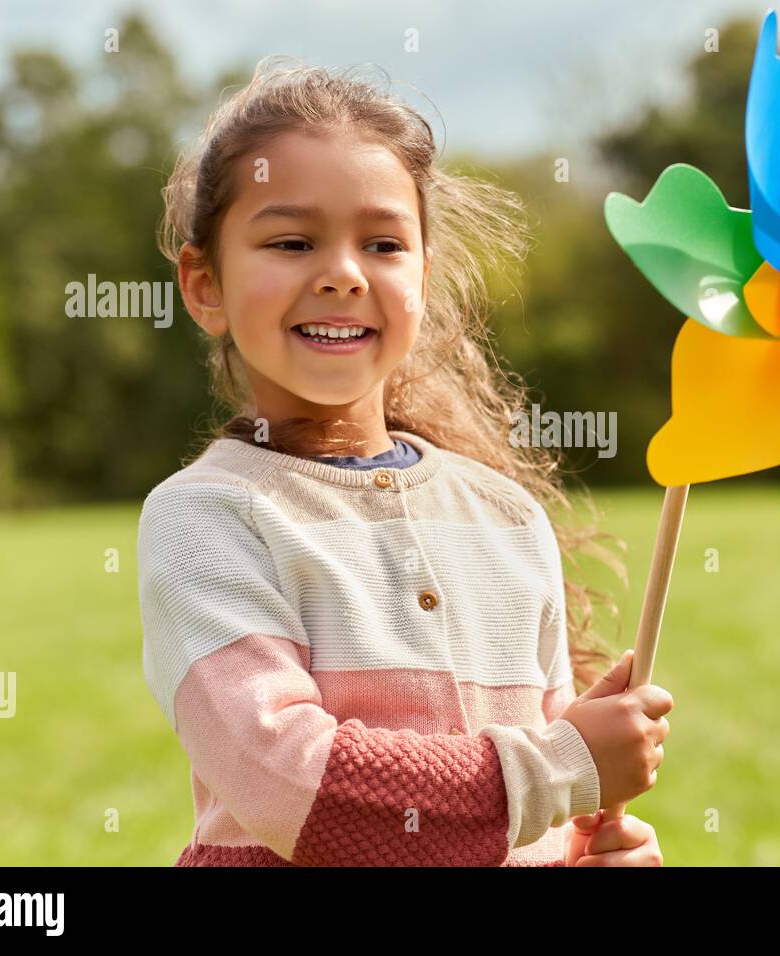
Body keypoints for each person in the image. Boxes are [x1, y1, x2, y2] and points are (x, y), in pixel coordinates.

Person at [137, 57, 673, 866]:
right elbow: (292, 782)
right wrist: (563, 766)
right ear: (205, 284)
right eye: (292, 241)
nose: (344, 274)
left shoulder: (506, 515)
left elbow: (550, 807)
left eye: (383, 243)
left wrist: (588, 848)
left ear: (423, 275)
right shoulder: (205, 519)